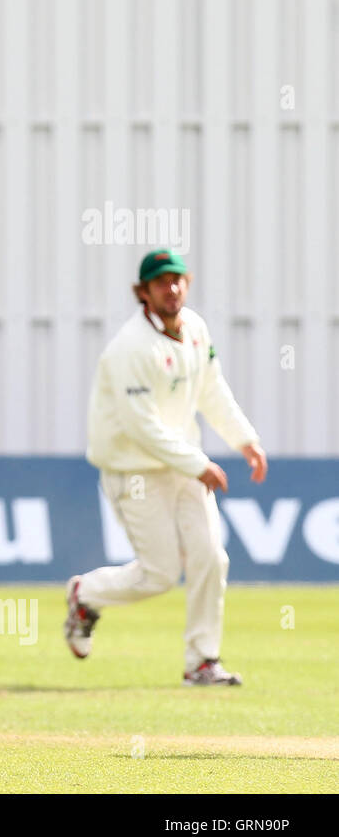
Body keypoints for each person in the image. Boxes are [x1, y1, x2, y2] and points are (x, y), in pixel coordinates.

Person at [66, 249, 268, 685]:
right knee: (158, 575)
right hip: (134, 469)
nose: (171, 288)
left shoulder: (194, 328)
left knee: (211, 557)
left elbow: (212, 391)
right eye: (160, 282)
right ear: (143, 292)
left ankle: (202, 662)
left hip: (183, 465)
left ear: (187, 283)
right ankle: (85, 594)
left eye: (177, 279)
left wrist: (244, 439)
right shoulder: (130, 348)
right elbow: (142, 429)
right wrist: (199, 462)